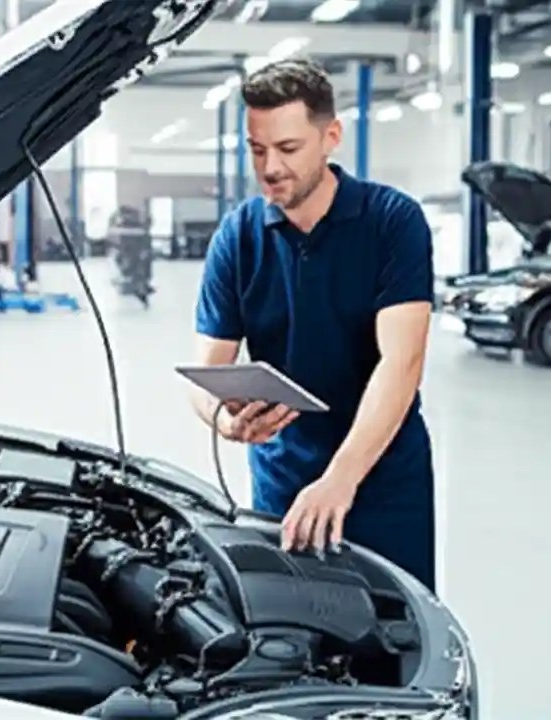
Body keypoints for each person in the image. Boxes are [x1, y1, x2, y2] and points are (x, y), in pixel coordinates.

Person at [188, 58, 438, 592]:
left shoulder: (393, 222)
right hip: (283, 484)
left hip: (383, 478)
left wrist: (340, 480)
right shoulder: (238, 238)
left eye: (288, 149)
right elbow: (205, 373)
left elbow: (403, 361)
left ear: (331, 137)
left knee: (395, 635)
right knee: (296, 632)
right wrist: (224, 422)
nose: (270, 167)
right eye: (258, 150)